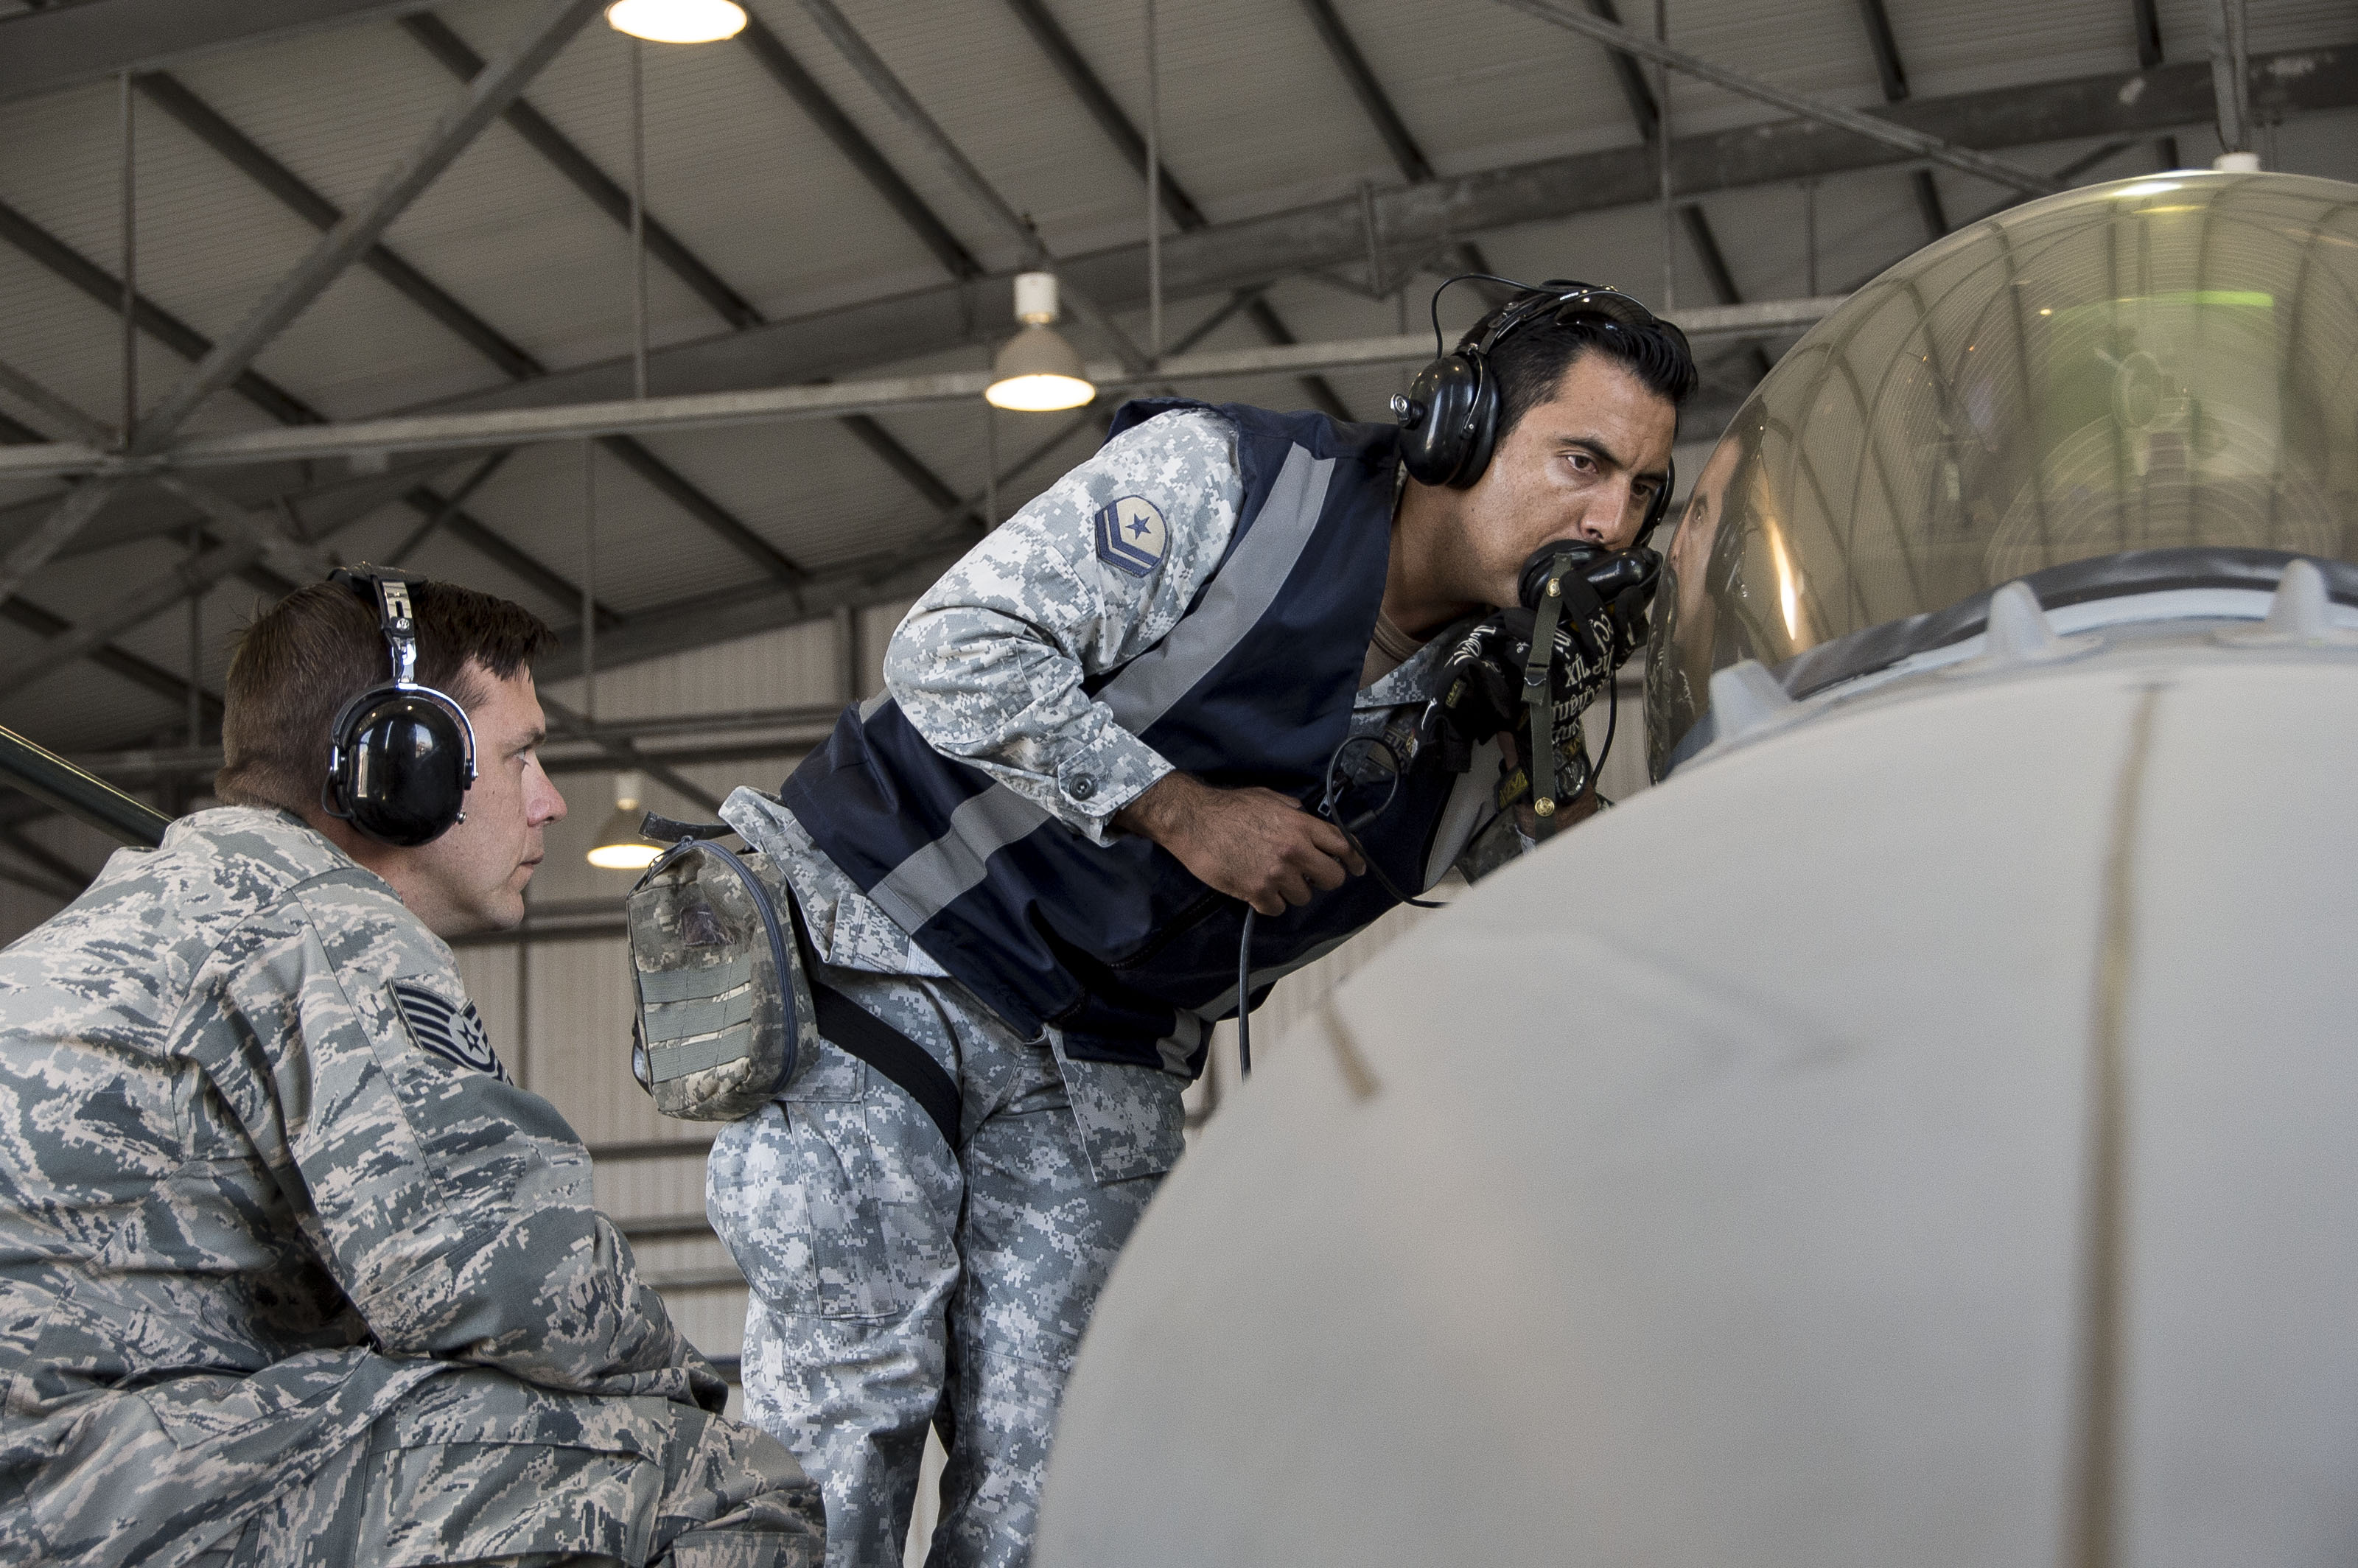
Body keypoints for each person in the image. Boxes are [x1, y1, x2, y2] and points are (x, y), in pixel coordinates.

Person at [705, 280, 1696, 1567]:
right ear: (1457, 426)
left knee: (1067, 1481)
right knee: (850, 1409)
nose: (1607, 519)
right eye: (1582, 462)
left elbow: (1576, 892)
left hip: (1101, 1058)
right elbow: (951, 647)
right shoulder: (1228, 486)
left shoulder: (1492, 719)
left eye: (1641, 493)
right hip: (894, 958)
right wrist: (1175, 808)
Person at [0, 573, 825, 1567]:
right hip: (79, 1483)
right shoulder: (319, 919)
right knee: (724, 1483)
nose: (551, 804)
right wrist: (689, 1396)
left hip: (76, 1455)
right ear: (404, 762)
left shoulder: (149, 907)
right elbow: (503, 1278)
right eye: (521, 755)